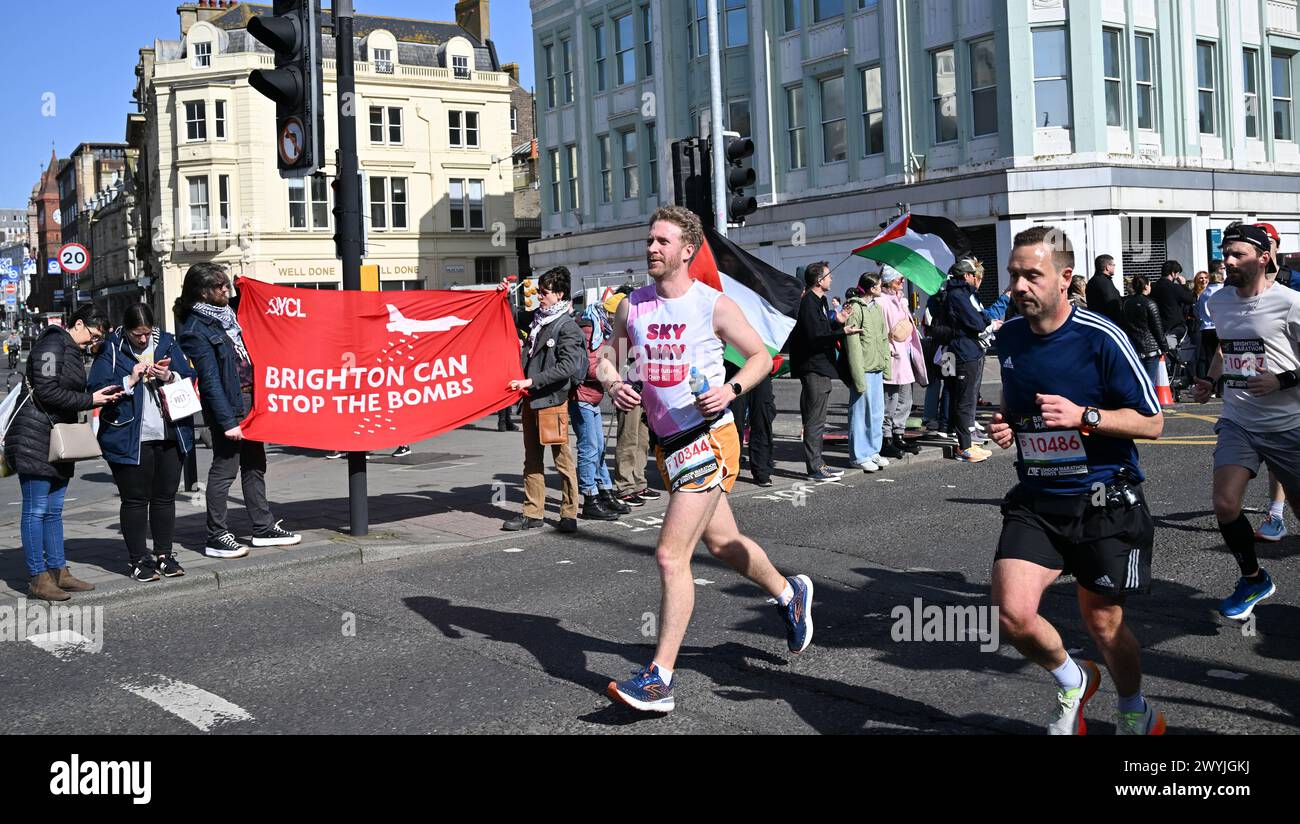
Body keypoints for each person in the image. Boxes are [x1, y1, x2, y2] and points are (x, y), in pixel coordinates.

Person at [599, 205, 813, 713]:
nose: (652, 248)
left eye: (662, 242)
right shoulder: (633, 306)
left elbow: (763, 357)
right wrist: (614, 382)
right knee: (722, 543)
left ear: (687, 250)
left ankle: (659, 677)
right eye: (649, 240)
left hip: (708, 437)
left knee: (671, 555)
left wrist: (730, 389)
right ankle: (790, 594)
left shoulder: (711, 306)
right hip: (668, 443)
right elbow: (610, 355)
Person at [988, 225, 1166, 735]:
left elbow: (1153, 421)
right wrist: (1004, 423)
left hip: (1103, 501)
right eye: (1014, 275)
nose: (1019, 286)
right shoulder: (1010, 336)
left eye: (1031, 275)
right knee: (1012, 615)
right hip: (1039, 498)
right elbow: (1018, 405)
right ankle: (1072, 678)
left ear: (1065, 278)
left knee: (1104, 625)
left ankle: (1134, 707)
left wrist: (1086, 417)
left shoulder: (1101, 336)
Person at [1193, 224, 1300, 622]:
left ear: (1263, 257)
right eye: (1226, 254)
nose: (1229, 261)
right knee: (1224, 504)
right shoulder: (1220, 302)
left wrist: (1282, 379)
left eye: (1238, 254)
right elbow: (1228, 346)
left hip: (1289, 423)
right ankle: (1252, 577)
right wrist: (1210, 378)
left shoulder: (1289, 303)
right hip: (1238, 419)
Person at [176, 263, 301, 558]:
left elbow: (252, 300)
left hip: (250, 400)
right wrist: (227, 421)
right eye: (219, 286)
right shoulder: (196, 329)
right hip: (230, 407)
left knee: (255, 464)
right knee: (225, 469)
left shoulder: (228, 315)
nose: (225, 289)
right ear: (203, 293)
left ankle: (263, 527)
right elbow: (210, 381)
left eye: (225, 284)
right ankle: (217, 535)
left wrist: (244, 284)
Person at [3, 306, 122, 601]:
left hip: (56, 437)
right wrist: (90, 399)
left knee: (54, 510)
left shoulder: (69, 348)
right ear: (78, 324)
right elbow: (46, 391)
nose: (91, 343)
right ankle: (38, 579)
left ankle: (59, 572)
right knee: (36, 509)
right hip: (35, 436)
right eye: (92, 336)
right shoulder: (52, 343)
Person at [88, 304, 197, 582]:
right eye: (138, 334)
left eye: (147, 333)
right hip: (129, 436)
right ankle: (138, 559)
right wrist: (129, 380)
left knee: (165, 497)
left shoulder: (168, 343)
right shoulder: (112, 348)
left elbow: (190, 377)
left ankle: (164, 555)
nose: (144, 339)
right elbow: (96, 388)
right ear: (126, 329)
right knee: (135, 500)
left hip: (170, 432)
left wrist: (169, 376)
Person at [503, 266, 585, 532]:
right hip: (531, 400)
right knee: (532, 459)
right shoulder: (537, 318)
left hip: (552, 401)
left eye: (545, 293)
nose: (540, 297)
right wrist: (503, 295)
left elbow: (568, 366)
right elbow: (513, 316)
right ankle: (533, 513)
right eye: (539, 291)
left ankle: (569, 513)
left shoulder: (567, 327)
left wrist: (531, 381)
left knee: (562, 461)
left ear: (560, 294)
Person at [790, 261, 852, 480]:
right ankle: (815, 467)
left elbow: (823, 330)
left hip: (821, 367)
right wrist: (842, 331)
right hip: (813, 367)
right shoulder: (808, 303)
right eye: (828, 275)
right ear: (819, 280)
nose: (831, 278)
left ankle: (819, 463)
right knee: (815, 421)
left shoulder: (820, 301)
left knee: (816, 419)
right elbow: (815, 338)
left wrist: (837, 323)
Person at [571, 303, 627, 521]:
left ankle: (605, 491)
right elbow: (588, 366)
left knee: (599, 447)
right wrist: (611, 377)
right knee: (589, 448)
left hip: (592, 396)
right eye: (615, 316)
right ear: (608, 313)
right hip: (582, 395)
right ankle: (590, 498)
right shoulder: (589, 328)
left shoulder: (601, 327)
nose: (617, 320)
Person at [943, 259, 992, 462]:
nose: (975, 278)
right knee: (964, 398)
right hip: (964, 351)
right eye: (973, 275)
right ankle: (964, 447)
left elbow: (981, 317)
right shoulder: (958, 295)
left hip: (965, 350)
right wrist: (984, 319)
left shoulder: (961, 294)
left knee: (964, 397)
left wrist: (983, 318)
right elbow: (977, 322)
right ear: (965, 276)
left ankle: (967, 443)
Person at [843, 278, 890, 472]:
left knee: (877, 413)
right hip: (863, 368)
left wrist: (887, 365)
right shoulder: (855, 308)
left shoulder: (877, 308)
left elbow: (884, 337)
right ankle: (858, 455)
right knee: (860, 413)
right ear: (871, 288)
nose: (882, 288)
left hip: (876, 367)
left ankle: (872, 451)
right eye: (879, 285)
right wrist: (857, 374)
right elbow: (852, 345)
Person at [879, 268, 923, 458]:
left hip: (905, 355)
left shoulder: (900, 300)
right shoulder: (881, 301)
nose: (903, 281)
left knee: (906, 399)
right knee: (891, 400)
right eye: (900, 278)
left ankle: (899, 434)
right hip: (893, 355)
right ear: (889, 280)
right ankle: (886, 438)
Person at [1119, 276, 1166, 385]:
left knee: (1137, 383)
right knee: (1149, 383)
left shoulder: (1126, 303)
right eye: (1149, 284)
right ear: (1146, 286)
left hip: (1133, 347)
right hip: (1151, 348)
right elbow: (1157, 328)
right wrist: (1165, 347)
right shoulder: (1150, 303)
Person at [1149, 260, 1195, 346]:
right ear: (1173, 273)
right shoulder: (1175, 288)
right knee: (1172, 351)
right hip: (1174, 326)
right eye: (1177, 274)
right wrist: (1184, 285)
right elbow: (1190, 299)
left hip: (1157, 325)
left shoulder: (1152, 287)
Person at [1194, 264, 1224, 381]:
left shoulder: (1203, 294)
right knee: (1222, 357)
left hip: (1206, 329)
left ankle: (1210, 382)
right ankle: (1221, 386)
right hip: (1220, 327)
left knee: (1209, 358)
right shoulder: (1223, 291)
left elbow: (1197, 311)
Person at [1085, 255, 1123, 326]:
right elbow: (1112, 305)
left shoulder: (1094, 281)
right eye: (1113, 265)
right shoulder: (1104, 282)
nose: (1114, 267)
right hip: (1108, 323)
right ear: (1107, 267)